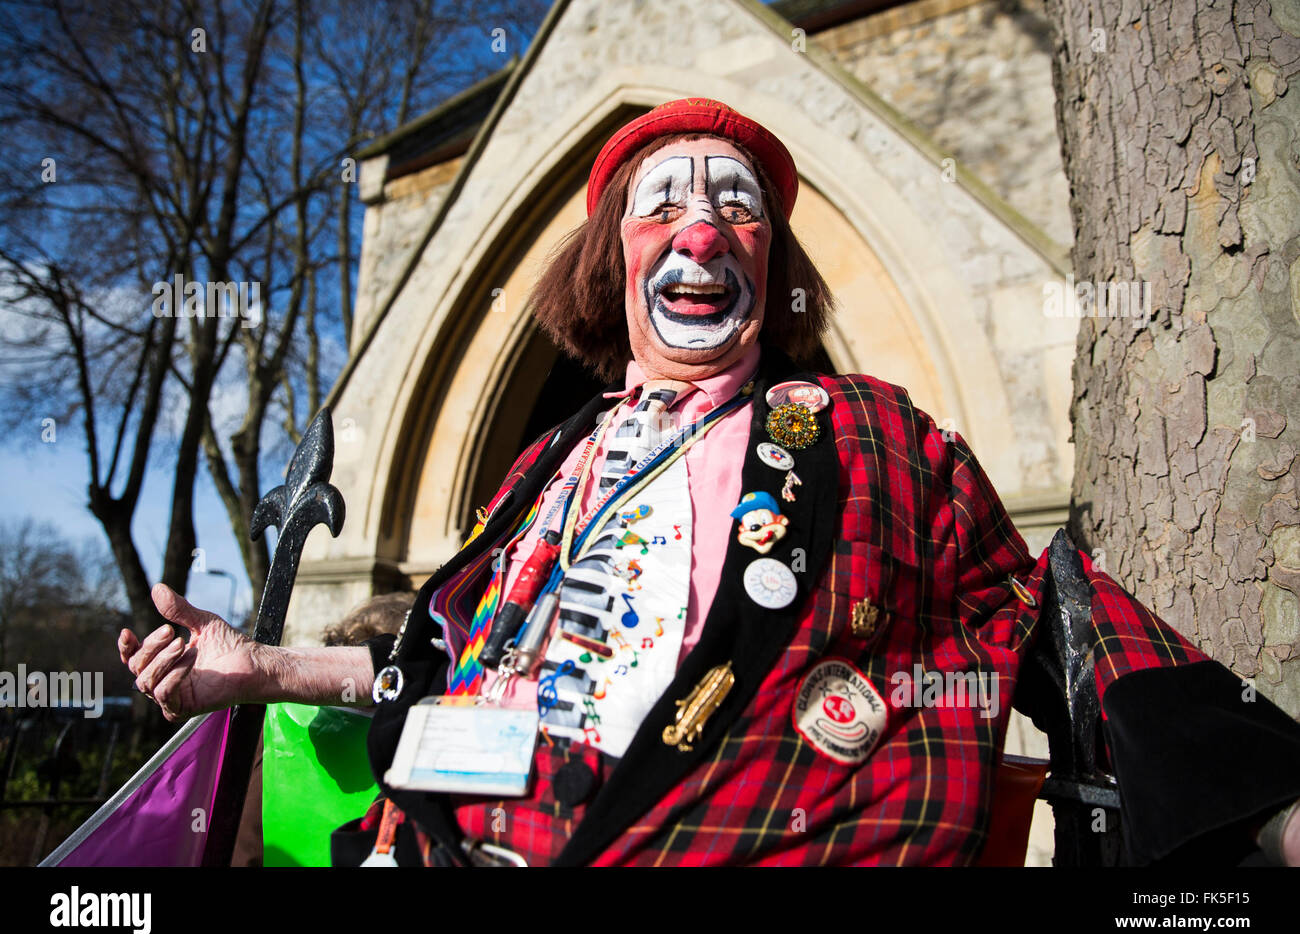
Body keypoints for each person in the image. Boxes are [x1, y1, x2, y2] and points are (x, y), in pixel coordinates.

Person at [119, 97, 1300, 867]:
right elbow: (440, 660)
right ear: (611, 262)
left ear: (772, 265)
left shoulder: (874, 435)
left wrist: (1264, 807)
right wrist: (258, 670)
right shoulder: (545, 464)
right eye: (665, 206)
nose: (703, 230)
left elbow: (1050, 615)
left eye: (738, 209)